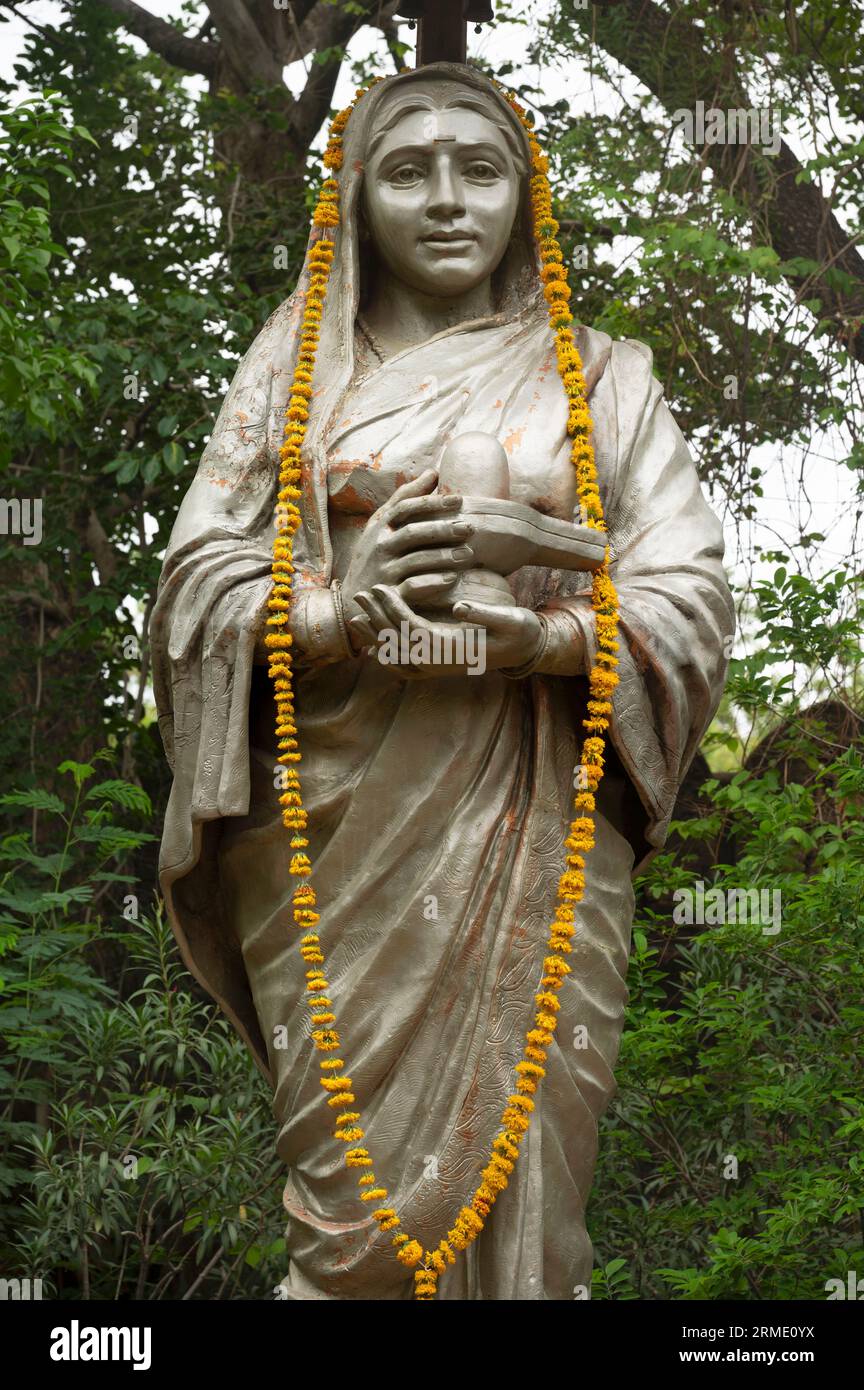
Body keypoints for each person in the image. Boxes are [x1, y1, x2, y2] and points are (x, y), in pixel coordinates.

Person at [151, 63, 735, 1300]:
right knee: (351, 1217)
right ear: (357, 198)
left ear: (526, 195)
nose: (449, 199)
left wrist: (550, 640)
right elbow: (194, 584)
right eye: (408, 171)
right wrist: (334, 614)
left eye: (482, 168)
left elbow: (688, 599)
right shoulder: (295, 375)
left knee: (538, 1192)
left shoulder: (603, 380)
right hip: (332, 841)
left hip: (541, 827)